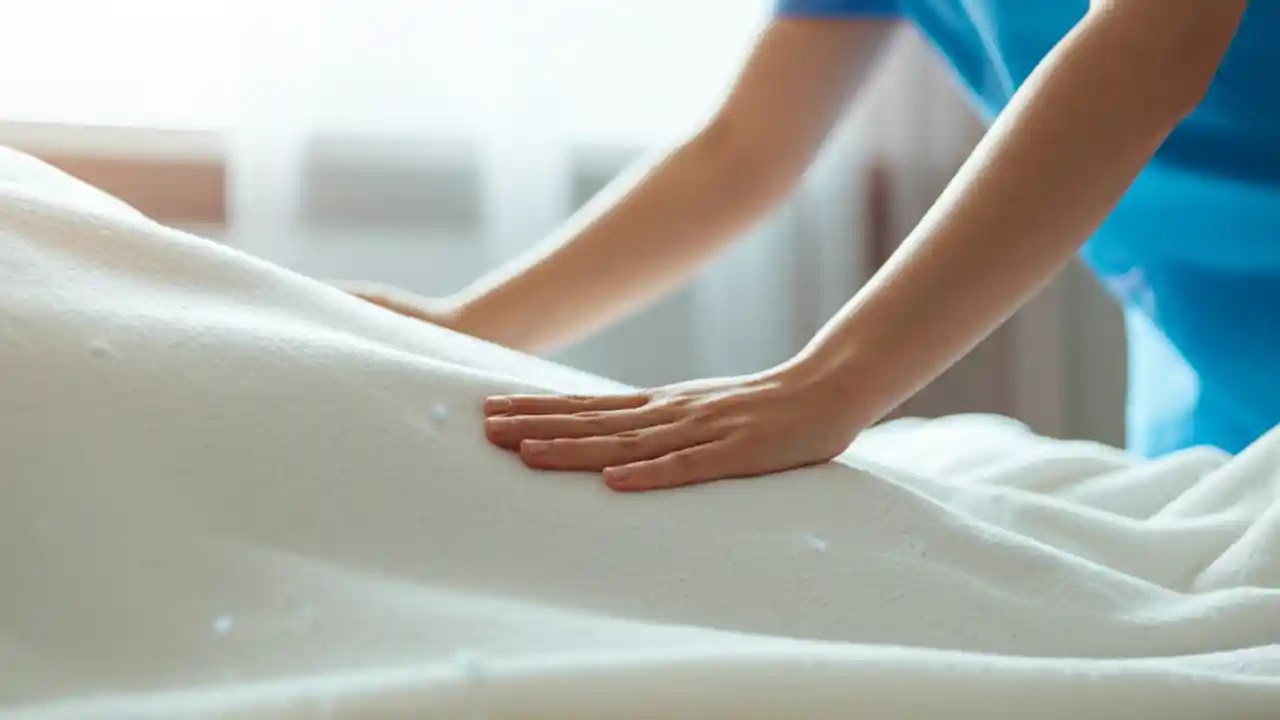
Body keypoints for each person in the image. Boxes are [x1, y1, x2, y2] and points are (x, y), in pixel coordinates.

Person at [350, 1, 1275, 492]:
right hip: (1206, 379)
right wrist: (467, 327)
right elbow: (742, 153)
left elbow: (1157, 43)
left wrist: (832, 383)